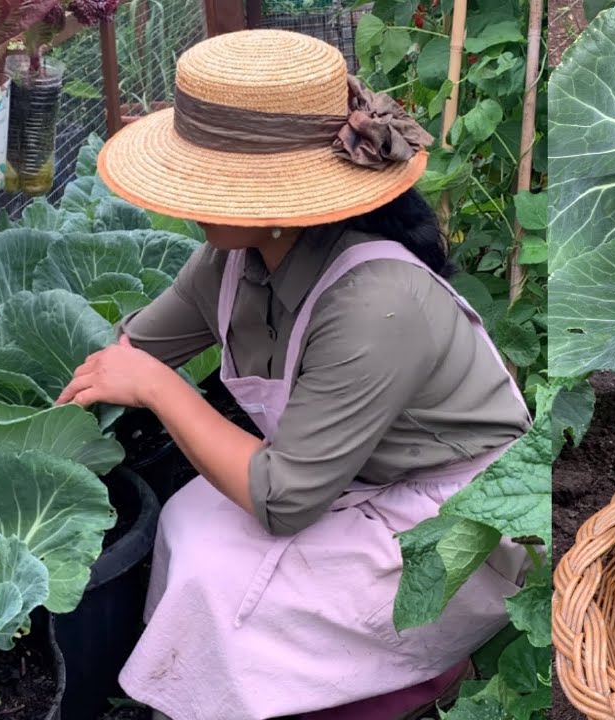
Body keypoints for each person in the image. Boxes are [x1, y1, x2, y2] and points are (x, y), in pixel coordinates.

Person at [55, 28, 532, 720]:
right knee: (190, 519)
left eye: (211, 178)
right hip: (351, 480)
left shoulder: (378, 304)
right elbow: (132, 345)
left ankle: (404, 685)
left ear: (280, 199)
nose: (188, 196)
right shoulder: (232, 263)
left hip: (454, 527)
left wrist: (161, 390)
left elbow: (283, 500)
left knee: (222, 583)